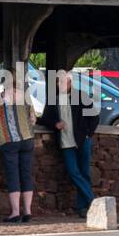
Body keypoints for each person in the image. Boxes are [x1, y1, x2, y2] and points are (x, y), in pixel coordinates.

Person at [39, 70, 99, 214]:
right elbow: (44, 118)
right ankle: (94, 201)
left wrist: (87, 134)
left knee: (84, 173)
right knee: (73, 172)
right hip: (66, 142)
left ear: (69, 82)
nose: (59, 84)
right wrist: (55, 123)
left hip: (82, 140)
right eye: (58, 82)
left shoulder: (80, 96)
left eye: (62, 81)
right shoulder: (54, 98)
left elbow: (95, 117)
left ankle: (82, 208)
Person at [0, 77, 36, 222]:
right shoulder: (25, 96)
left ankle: (15, 212)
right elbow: (33, 119)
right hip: (27, 140)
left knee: (13, 175)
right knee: (26, 174)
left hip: (9, 140)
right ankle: (27, 211)